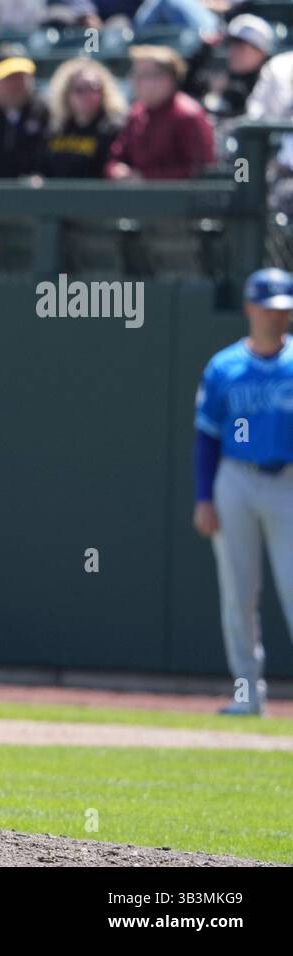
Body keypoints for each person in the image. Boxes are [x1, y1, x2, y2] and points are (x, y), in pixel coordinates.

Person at [193, 268, 293, 718]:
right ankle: (246, 693)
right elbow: (207, 437)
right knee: (238, 594)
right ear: (251, 308)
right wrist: (204, 498)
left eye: (284, 309)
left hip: (287, 480)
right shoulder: (224, 366)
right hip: (235, 478)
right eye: (270, 308)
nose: (278, 317)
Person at [107, 45, 214, 180]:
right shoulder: (137, 112)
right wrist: (116, 170)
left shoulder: (189, 115)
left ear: (167, 79)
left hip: (176, 199)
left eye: (143, 75)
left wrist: (146, 178)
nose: (135, 81)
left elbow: (200, 171)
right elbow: (116, 156)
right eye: (134, 74)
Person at [40, 58, 125, 179]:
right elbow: (43, 171)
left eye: (94, 88)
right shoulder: (55, 130)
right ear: (66, 93)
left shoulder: (114, 130)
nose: (87, 95)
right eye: (79, 89)